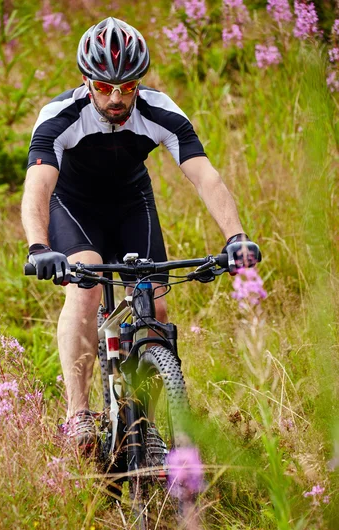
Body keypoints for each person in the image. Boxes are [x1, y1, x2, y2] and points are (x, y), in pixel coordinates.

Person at [21, 17, 259, 450]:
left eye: (127, 87)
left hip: (132, 204)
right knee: (86, 283)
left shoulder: (160, 111)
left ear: (139, 84)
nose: (115, 97)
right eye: (104, 86)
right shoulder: (60, 116)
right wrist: (39, 247)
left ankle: (142, 424)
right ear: (86, 82)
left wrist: (236, 237)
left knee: (156, 307)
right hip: (74, 207)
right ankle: (77, 413)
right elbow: (38, 186)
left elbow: (205, 176)